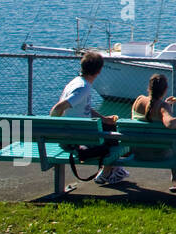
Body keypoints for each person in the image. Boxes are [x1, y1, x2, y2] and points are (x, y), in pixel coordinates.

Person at [50, 51, 127, 186]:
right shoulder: (82, 88)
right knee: (117, 137)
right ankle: (108, 171)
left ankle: (110, 170)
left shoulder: (76, 83)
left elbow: (82, 108)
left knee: (110, 127)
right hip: (75, 138)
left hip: (74, 133)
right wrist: (56, 130)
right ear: (98, 71)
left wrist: (104, 119)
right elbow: (58, 108)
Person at [130, 74, 176, 194]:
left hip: (138, 152)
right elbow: (170, 124)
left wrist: (165, 105)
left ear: (149, 87)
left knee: (172, 144)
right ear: (165, 89)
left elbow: (149, 113)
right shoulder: (162, 107)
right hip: (157, 154)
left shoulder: (139, 100)